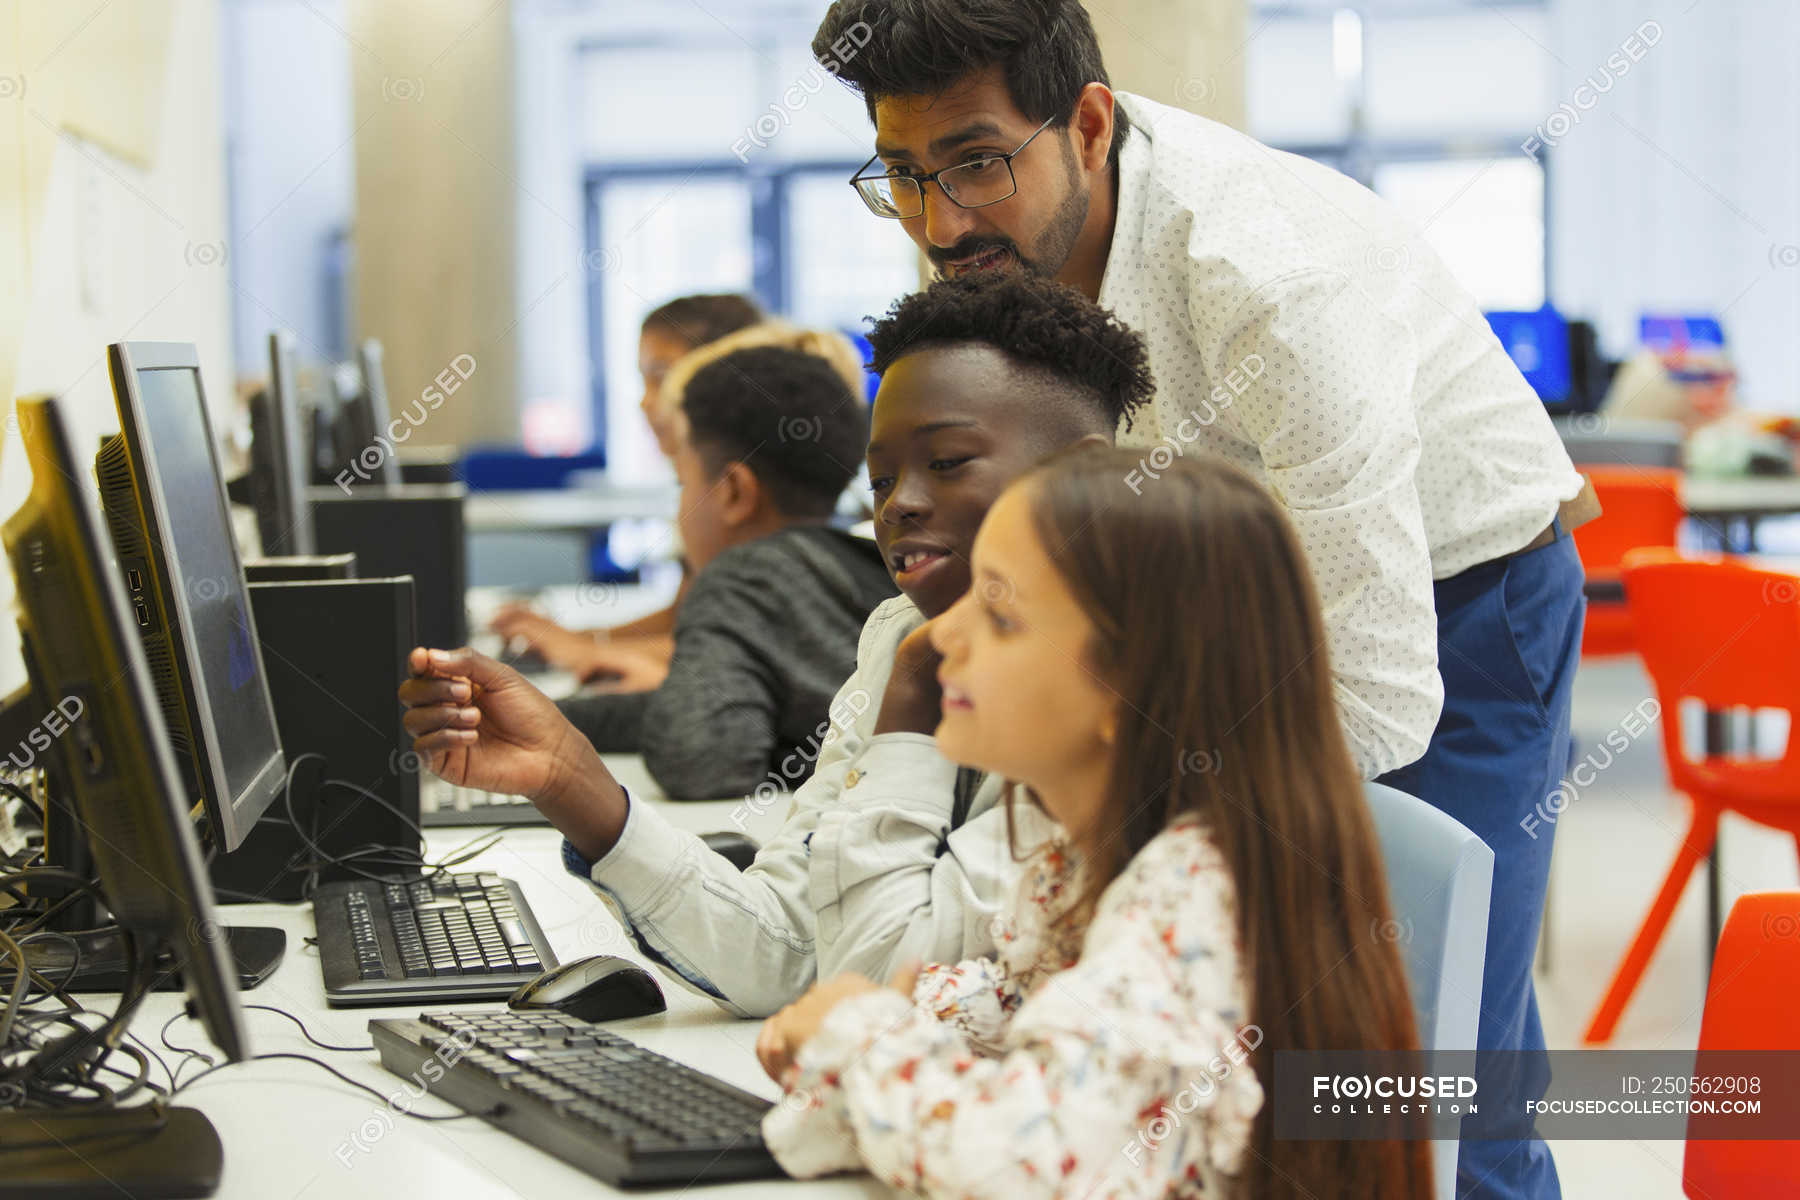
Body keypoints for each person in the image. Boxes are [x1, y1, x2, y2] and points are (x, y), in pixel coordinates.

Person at [810, 3, 1589, 1193]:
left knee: (1419, 1072)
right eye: (905, 177)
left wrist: (1173, 851)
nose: (938, 222)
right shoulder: (1008, 222)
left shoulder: (1271, 281)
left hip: (1456, 590)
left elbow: (1379, 696)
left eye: (975, 164)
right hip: (1240, 587)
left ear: (1087, 123)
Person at [396, 269, 1151, 1016]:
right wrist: (568, 779)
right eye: (881, 482)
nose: (902, 507)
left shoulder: (1117, 701)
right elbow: (789, 950)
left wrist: (912, 702)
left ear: (1078, 472)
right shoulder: (901, 631)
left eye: (946, 463)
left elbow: (879, 987)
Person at [753, 445, 1433, 1200]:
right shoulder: (1079, 859)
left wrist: (864, 1036)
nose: (943, 633)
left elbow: (1022, 1171)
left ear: (1129, 683)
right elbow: (1042, 998)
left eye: (1002, 615)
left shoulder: (1195, 894)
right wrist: (906, 1016)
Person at [549, 346, 894, 799]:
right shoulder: (853, 561)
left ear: (734, 491)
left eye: (682, 481)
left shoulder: (743, 578)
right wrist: (544, 717)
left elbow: (703, 764)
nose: (679, 505)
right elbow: (714, 711)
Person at [561, 320, 874, 689]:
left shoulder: (745, 586)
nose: (644, 400)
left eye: (683, 481)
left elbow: (716, 705)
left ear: (734, 490)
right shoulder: (849, 570)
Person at [490, 292, 762, 662]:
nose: (645, 401)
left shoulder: (747, 491)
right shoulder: (698, 480)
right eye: (643, 380)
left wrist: (585, 651)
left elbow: (727, 652)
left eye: (661, 377)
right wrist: (580, 640)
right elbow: (683, 619)